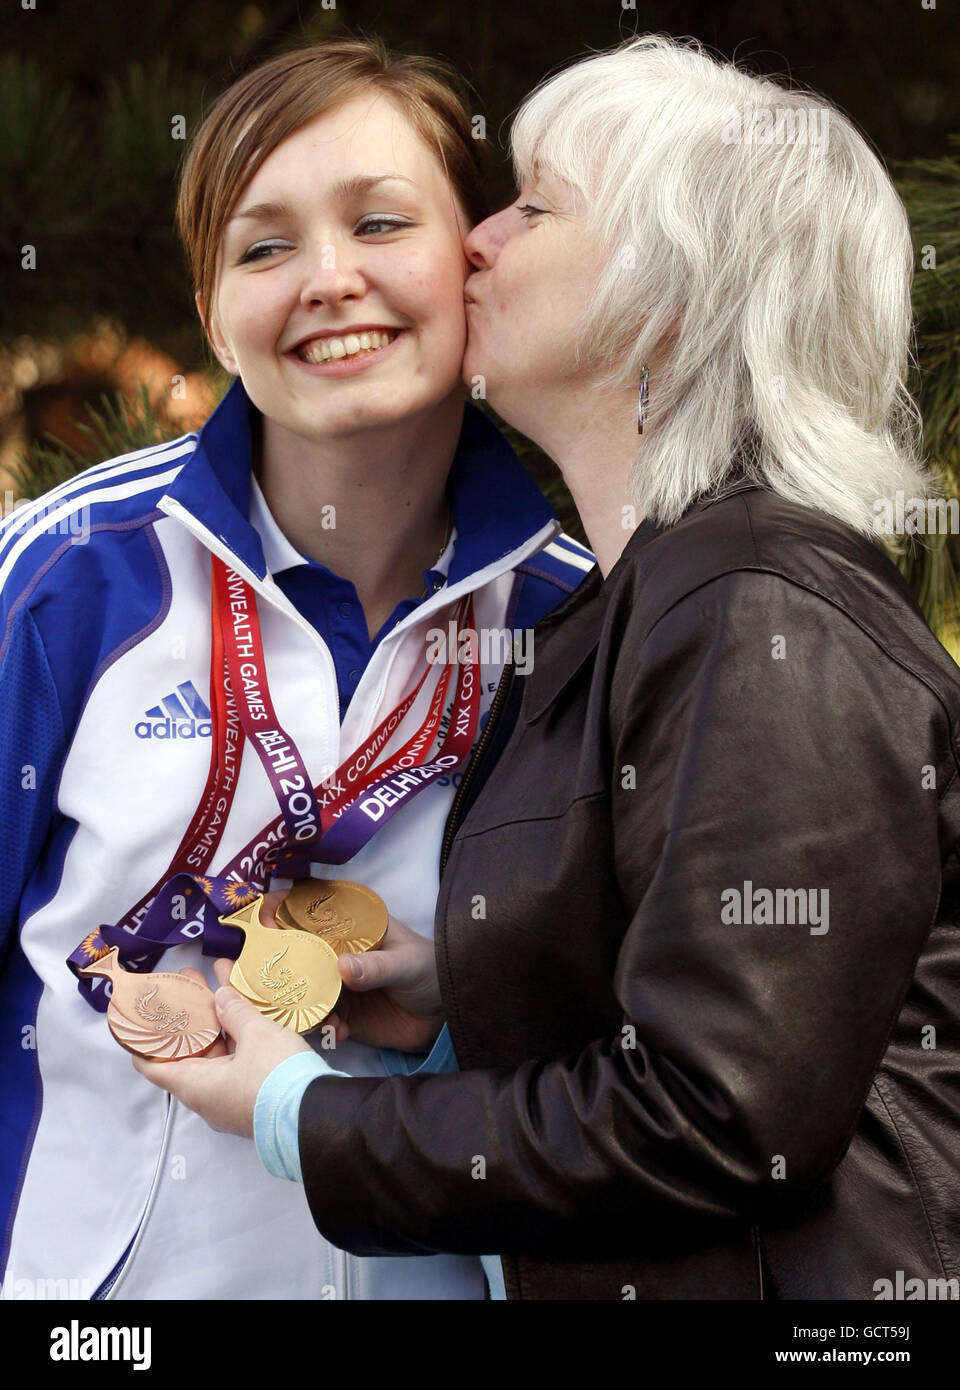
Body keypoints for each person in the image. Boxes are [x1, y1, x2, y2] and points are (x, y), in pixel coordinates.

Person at [135, 34, 960, 1301]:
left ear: (669, 292)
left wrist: (300, 1113)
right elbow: (693, 972)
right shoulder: (640, 603)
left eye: (535, 206)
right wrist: (461, 984)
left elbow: (724, 1116)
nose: (475, 240)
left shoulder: (760, 609)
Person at [0, 37, 592, 1303]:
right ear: (214, 313)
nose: (329, 279)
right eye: (264, 248)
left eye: (382, 223)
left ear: (473, 263)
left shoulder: (583, 619)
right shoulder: (67, 577)